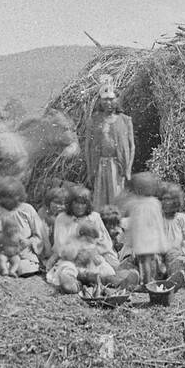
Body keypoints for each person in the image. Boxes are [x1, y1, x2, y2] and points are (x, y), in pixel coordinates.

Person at [45, 185, 120, 292]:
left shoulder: (94, 217)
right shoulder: (62, 218)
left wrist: (93, 252)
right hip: (70, 258)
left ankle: (100, 279)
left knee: (105, 270)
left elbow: (105, 242)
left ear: (88, 204)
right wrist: (77, 250)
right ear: (70, 203)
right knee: (67, 270)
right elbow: (60, 245)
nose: (79, 206)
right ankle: (74, 284)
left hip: (92, 257)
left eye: (83, 203)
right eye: (76, 202)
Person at [0, 179, 49, 275]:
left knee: (23, 268)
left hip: (23, 255)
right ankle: (4, 268)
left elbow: (40, 235)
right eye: (5, 196)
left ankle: (14, 269)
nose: (8, 200)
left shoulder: (28, 209)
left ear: (19, 196)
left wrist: (29, 242)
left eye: (11, 196)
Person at [84, 75, 135, 210]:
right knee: (100, 198)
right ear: (100, 101)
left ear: (117, 100)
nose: (109, 103)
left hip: (117, 166)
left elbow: (131, 146)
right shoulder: (94, 121)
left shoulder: (125, 120)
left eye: (111, 99)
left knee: (117, 197)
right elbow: (88, 147)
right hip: (100, 165)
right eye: (105, 100)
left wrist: (128, 169)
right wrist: (90, 171)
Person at [159, 182, 185, 283]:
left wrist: (182, 251)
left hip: (177, 254)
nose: (165, 202)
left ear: (176, 201)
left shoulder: (182, 219)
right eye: (162, 199)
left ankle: (176, 278)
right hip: (158, 255)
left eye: (168, 199)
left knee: (182, 262)